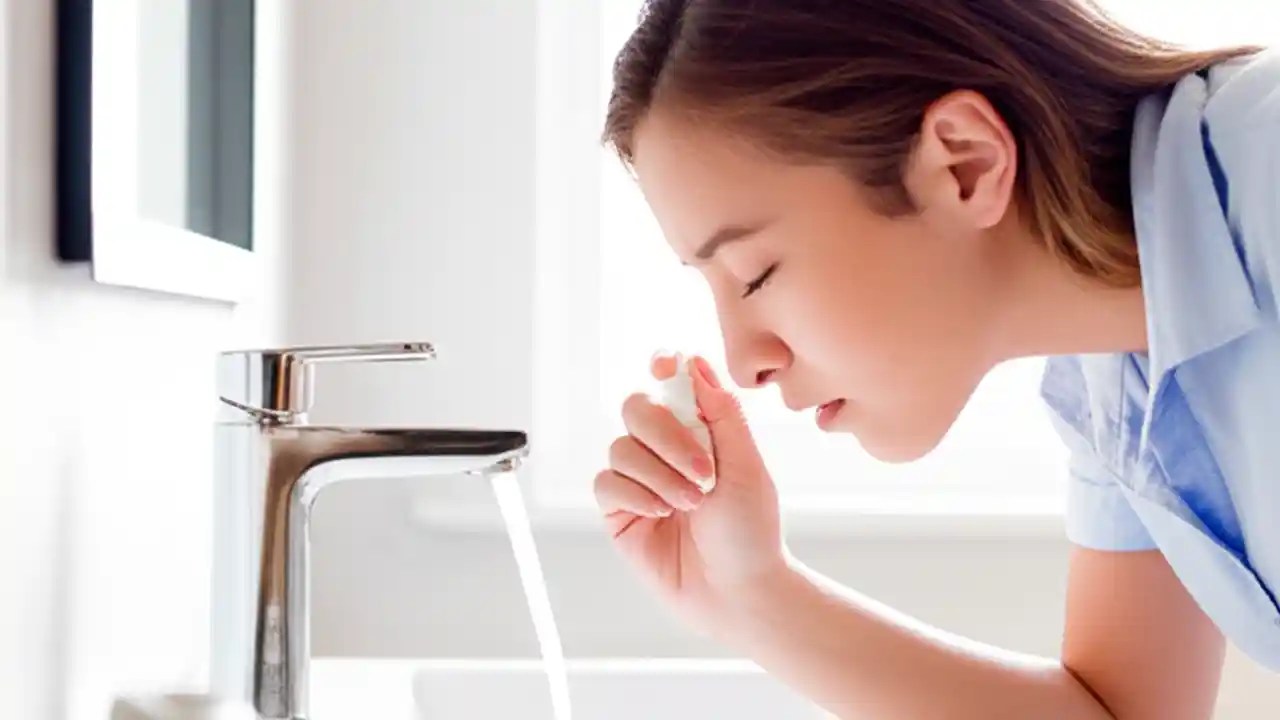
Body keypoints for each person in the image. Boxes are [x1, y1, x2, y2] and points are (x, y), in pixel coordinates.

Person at [590, 1, 1280, 717]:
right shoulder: (1113, 380)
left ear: (964, 165)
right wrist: (752, 594)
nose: (744, 363)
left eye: (755, 274)